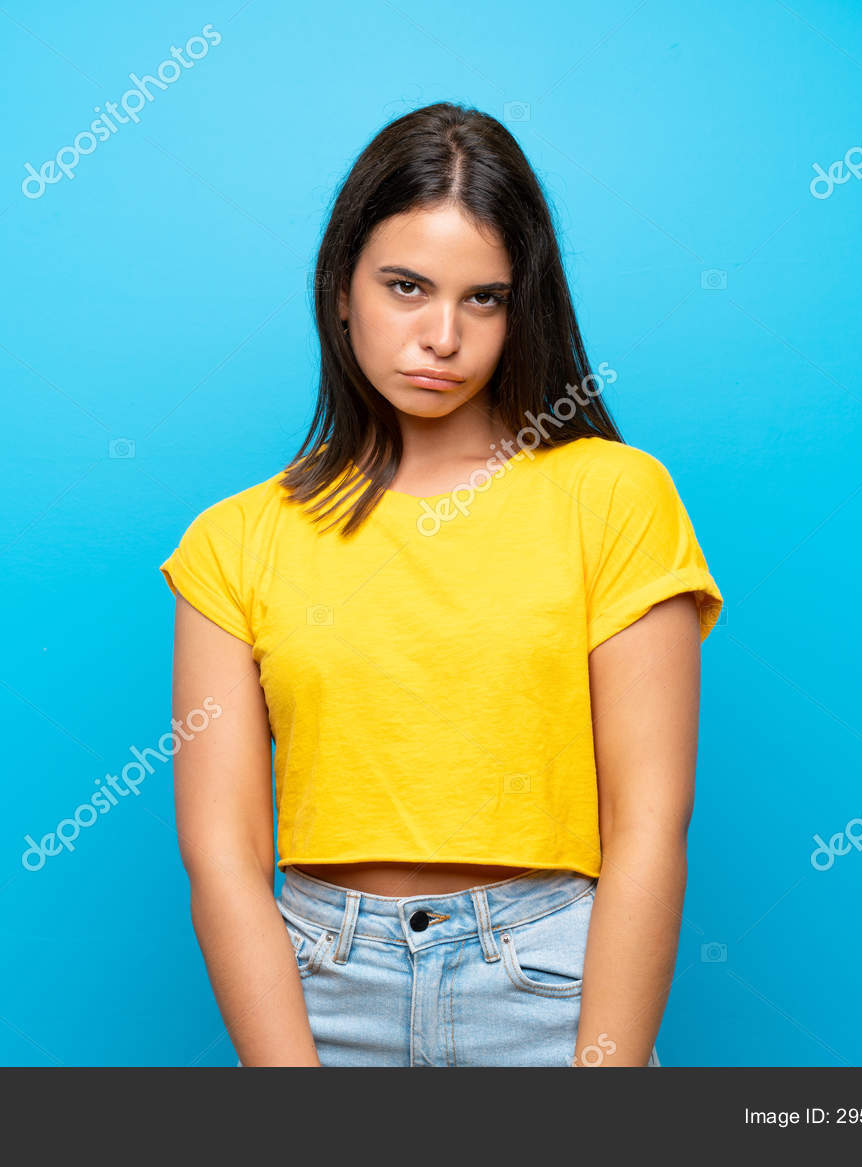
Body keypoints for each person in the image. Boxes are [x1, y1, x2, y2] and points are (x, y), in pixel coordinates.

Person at [159, 102, 723, 1067]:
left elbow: (649, 823)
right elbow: (223, 853)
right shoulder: (235, 540)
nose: (443, 336)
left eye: (484, 299)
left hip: (550, 984)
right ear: (341, 290)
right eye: (407, 287)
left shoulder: (615, 497)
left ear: (523, 306)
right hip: (317, 993)